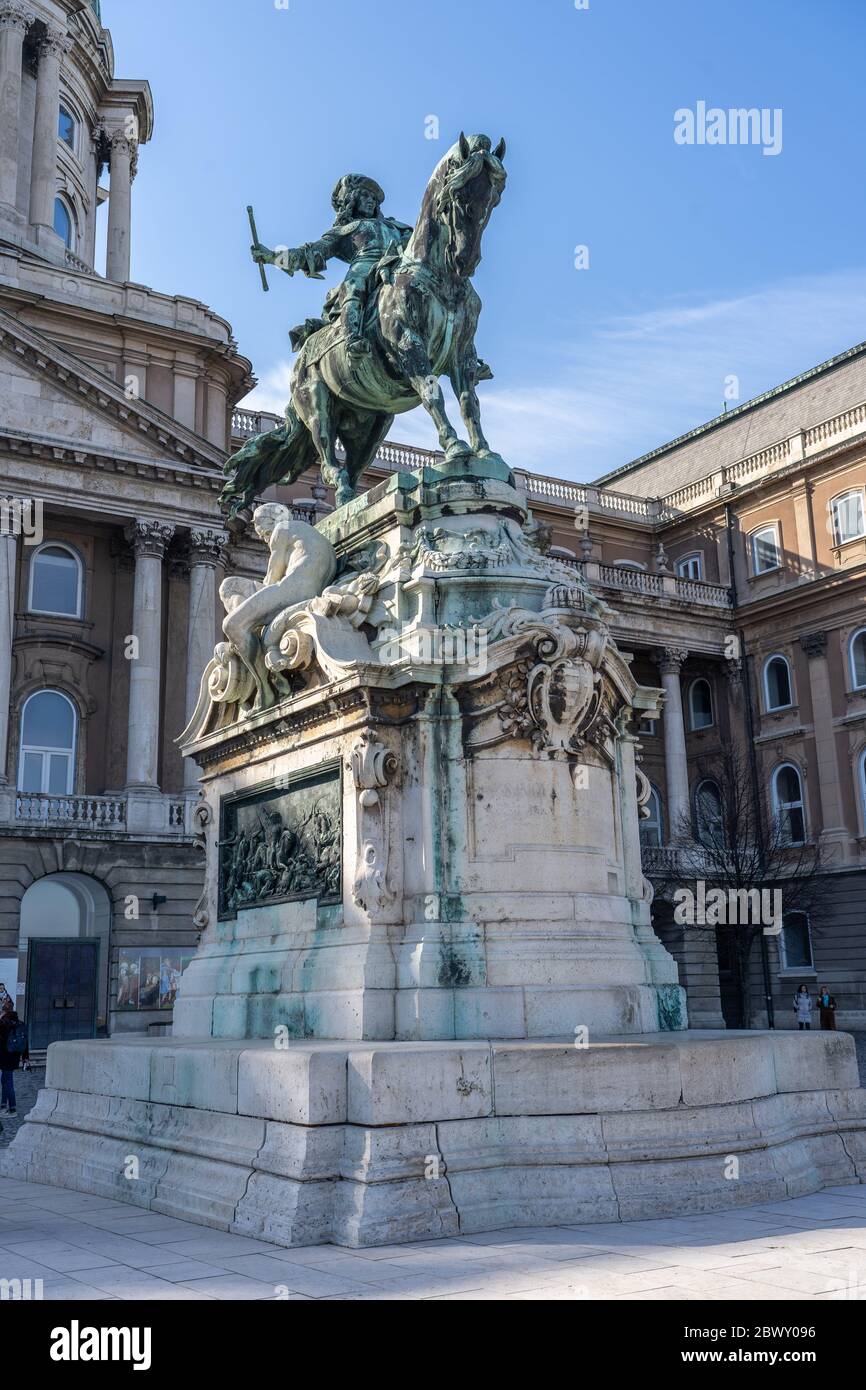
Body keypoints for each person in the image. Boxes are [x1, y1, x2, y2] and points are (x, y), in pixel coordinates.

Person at [0, 1001, 26, 1116]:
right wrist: (25, 1057)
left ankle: (12, 1108)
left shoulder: (3, 1023)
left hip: (4, 1057)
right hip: (15, 1056)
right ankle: (3, 1105)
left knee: (8, 1082)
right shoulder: (20, 1023)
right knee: (5, 1080)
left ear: (4, 1011)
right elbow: (25, 1041)